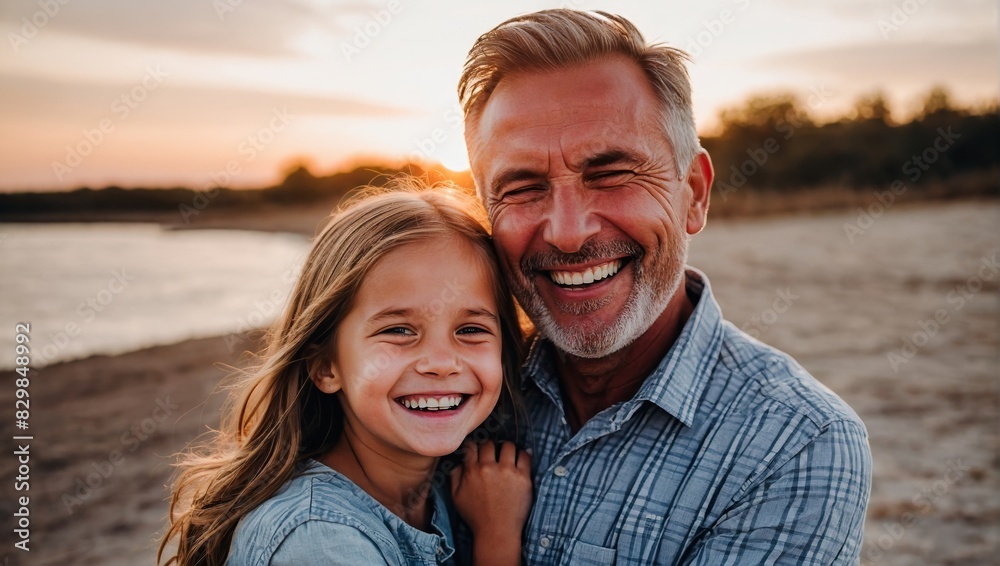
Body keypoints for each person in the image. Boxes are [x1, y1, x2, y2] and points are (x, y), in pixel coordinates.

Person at [457, 9, 873, 564]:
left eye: (610, 174)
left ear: (694, 194)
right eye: (523, 187)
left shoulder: (794, 443)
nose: (568, 232)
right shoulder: (453, 395)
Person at [158, 181, 532, 566]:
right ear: (324, 365)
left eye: (470, 330)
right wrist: (498, 540)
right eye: (398, 330)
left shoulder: (437, 494)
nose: (440, 362)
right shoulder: (317, 539)